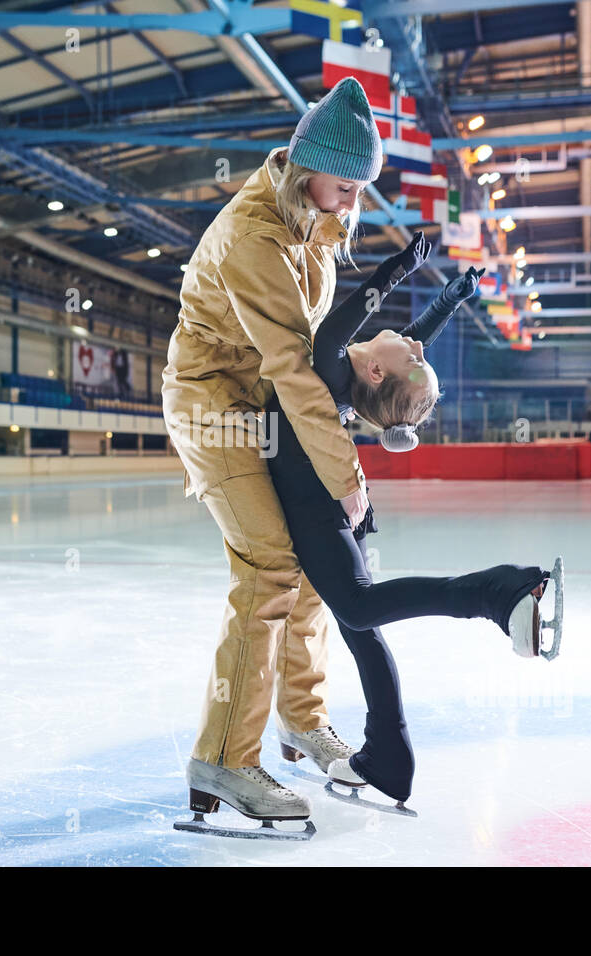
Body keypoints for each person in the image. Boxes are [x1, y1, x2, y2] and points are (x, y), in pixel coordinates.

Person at [264, 232, 560, 807]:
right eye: (420, 355)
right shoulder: (359, 373)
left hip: (319, 511)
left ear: (377, 372)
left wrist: (396, 269)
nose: (418, 346)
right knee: (362, 629)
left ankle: (499, 591)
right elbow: (411, 342)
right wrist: (449, 300)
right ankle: (389, 758)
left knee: (358, 611)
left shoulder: (330, 371)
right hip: (329, 506)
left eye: (414, 358)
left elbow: (333, 331)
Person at [162, 78, 385, 833]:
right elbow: (293, 366)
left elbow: (315, 356)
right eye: (346, 187)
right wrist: (347, 473)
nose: (351, 204)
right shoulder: (258, 235)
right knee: (267, 567)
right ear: (309, 168)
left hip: (261, 404)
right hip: (213, 405)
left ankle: (300, 718)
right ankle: (224, 756)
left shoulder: (310, 222)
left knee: (315, 557)